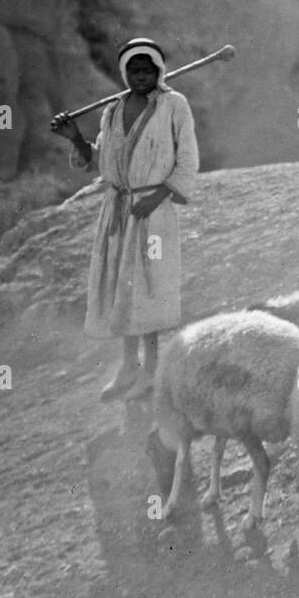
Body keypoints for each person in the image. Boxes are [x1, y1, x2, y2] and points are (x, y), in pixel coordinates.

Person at [50, 38, 199, 401]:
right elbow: (102, 159)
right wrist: (75, 139)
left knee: (149, 287)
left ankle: (151, 372)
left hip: (153, 212)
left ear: (159, 72)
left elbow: (188, 158)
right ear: (124, 73)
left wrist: (158, 197)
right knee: (122, 288)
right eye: (134, 70)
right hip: (118, 213)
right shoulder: (113, 110)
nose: (141, 76)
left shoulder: (173, 105)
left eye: (148, 70)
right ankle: (127, 369)